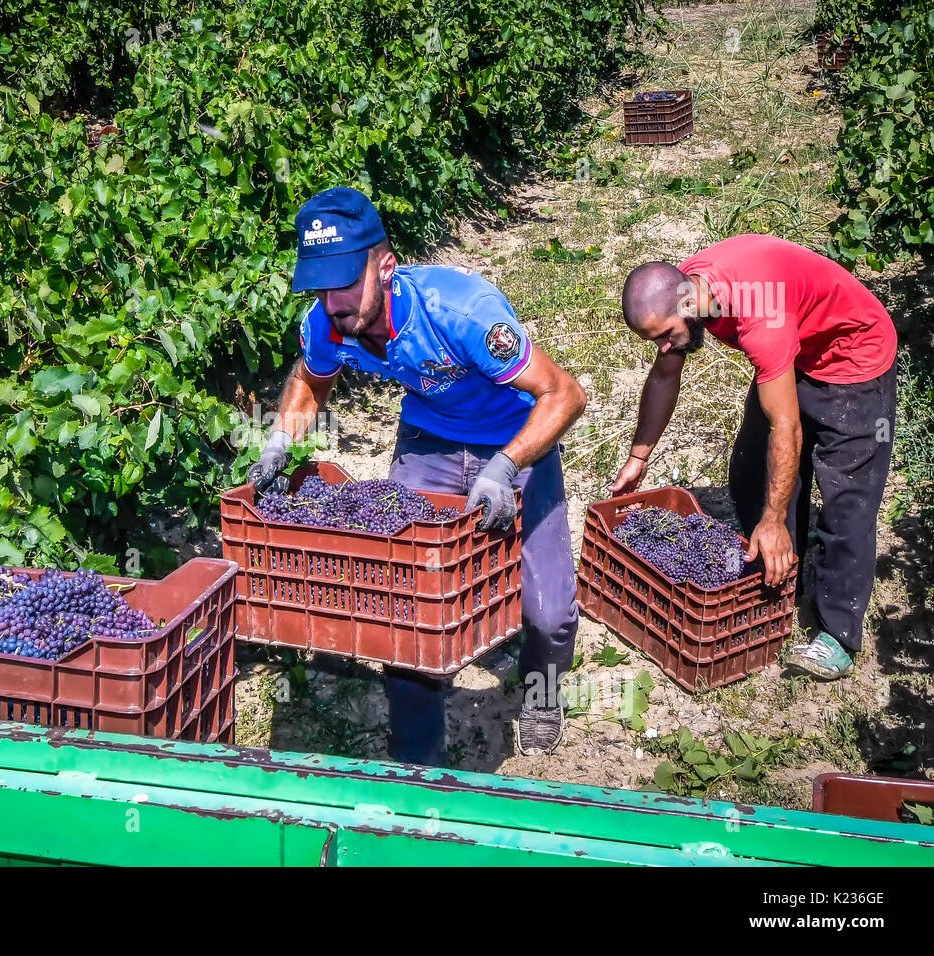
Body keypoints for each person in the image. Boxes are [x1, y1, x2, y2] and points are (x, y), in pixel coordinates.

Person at [248, 186, 587, 764]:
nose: (333, 302)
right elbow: (311, 379)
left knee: (548, 613)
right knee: (406, 607)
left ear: (385, 269)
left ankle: (540, 694)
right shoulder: (332, 320)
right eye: (320, 286)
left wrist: (505, 467)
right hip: (427, 440)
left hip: (514, 440)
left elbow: (565, 395)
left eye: (346, 282)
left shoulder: (460, 312)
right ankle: (415, 761)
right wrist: (283, 436)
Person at [611, 234, 898, 680]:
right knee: (750, 470)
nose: (665, 347)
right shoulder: (683, 290)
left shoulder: (759, 316)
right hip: (795, 352)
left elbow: (788, 428)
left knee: (847, 501)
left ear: (688, 302)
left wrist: (773, 518)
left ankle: (837, 634)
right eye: (655, 340)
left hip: (853, 359)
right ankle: (784, 574)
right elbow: (665, 375)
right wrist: (639, 456)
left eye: (666, 336)